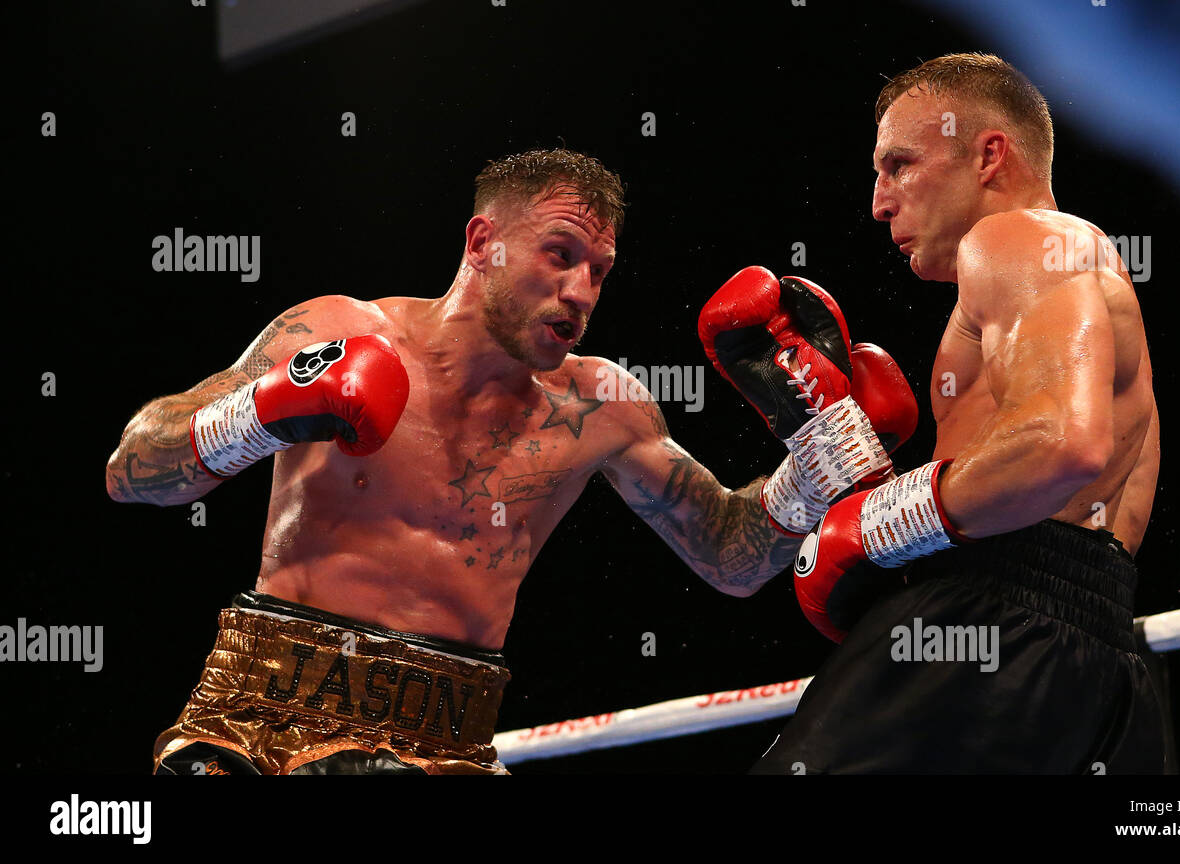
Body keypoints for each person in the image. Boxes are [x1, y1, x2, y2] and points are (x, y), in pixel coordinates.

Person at [106, 148, 914, 774]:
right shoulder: (334, 331)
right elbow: (132, 467)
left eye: (599, 272)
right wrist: (261, 412)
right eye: (559, 254)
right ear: (482, 242)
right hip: (263, 710)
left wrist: (821, 458)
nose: (580, 292)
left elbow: (729, 555)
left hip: (446, 736)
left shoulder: (601, 407)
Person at [751, 53, 1165, 774]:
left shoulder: (1014, 239)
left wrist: (875, 522)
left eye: (899, 165)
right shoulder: (1072, 266)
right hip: (1103, 669)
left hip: (992, 624)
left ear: (988, 155)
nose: (880, 202)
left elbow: (1060, 448)